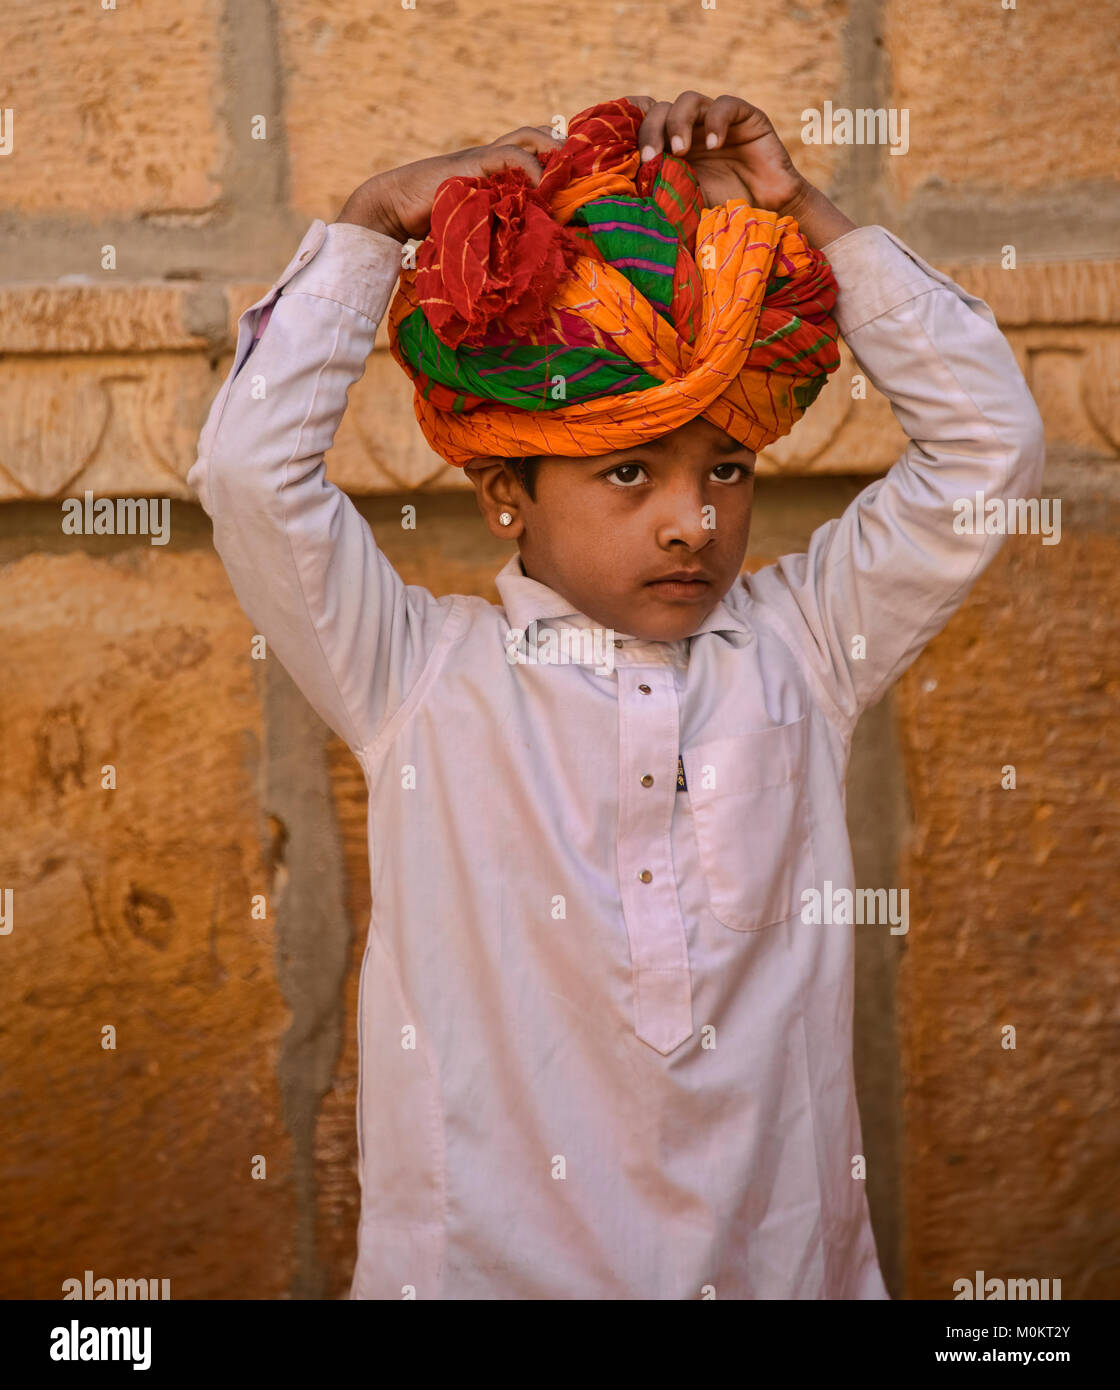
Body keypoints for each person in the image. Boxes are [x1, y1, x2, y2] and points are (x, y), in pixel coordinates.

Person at [188, 92, 1045, 1299]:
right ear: (506, 494)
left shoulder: (801, 651)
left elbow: (989, 447)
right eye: (628, 471)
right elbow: (248, 472)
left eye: (727, 470)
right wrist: (370, 225)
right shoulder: (417, 679)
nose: (691, 521)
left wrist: (800, 210)